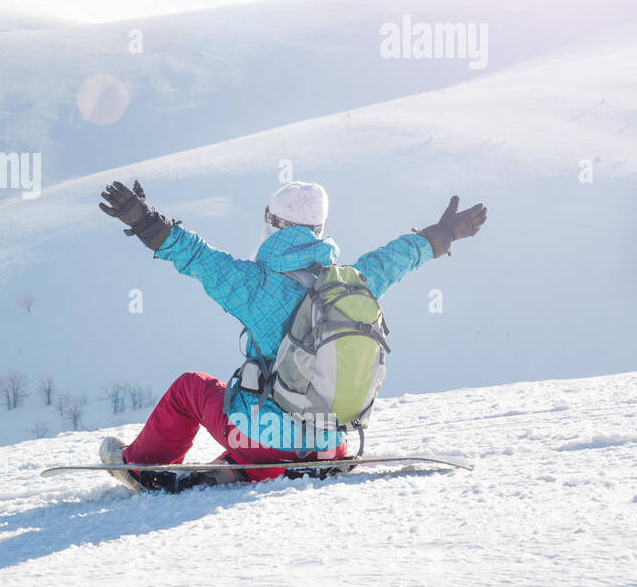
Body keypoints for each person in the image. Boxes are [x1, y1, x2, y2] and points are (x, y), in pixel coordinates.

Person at [97, 179, 487, 491]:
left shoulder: (255, 285)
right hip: (331, 446)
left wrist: (144, 220)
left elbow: (196, 256)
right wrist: (445, 232)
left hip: (264, 443)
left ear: (273, 223)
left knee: (191, 387)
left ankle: (142, 468)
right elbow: (400, 256)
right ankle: (242, 469)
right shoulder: (353, 282)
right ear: (320, 230)